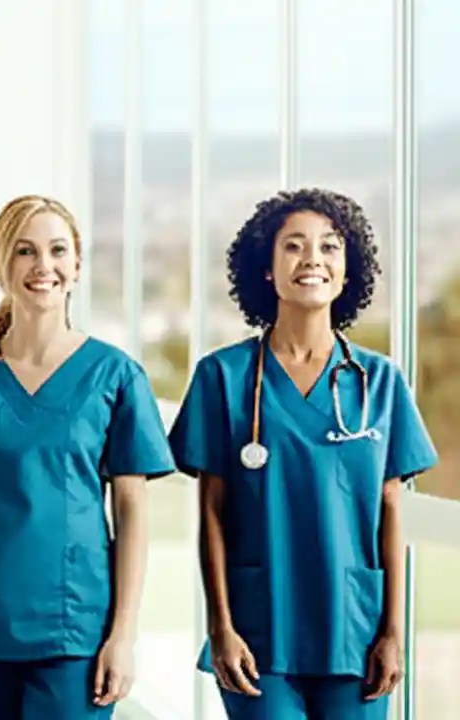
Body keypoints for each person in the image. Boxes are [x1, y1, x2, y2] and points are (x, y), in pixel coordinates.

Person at [0, 195, 174, 719]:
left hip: (76, 634)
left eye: (57, 250)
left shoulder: (115, 376)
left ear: (77, 265)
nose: (43, 265)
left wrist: (123, 635)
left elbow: (132, 513)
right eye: (25, 251)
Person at [168, 188, 438, 720]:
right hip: (258, 633)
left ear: (347, 270)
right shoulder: (223, 377)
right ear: (266, 269)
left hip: (354, 635)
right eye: (293, 246)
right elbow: (212, 513)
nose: (313, 259)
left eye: (330, 247)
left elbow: (391, 513)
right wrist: (221, 627)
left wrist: (393, 633)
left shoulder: (380, 382)